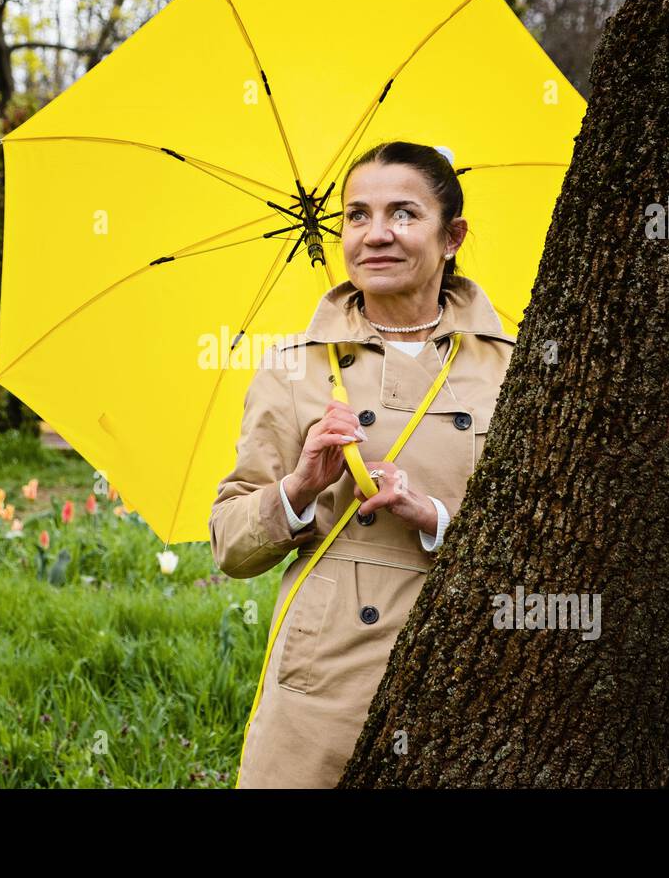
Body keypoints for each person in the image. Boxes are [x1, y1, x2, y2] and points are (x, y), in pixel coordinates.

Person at [208, 140, 516, 788]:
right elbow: (231, 547)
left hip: (462, 665)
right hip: (322, 683)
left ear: (452, 234)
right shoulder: (292, 366)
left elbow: (537, 537)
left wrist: (431, 517)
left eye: (403, 214)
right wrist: (298, 488)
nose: (376, 235)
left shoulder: (510, 365)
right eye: (356, 216)